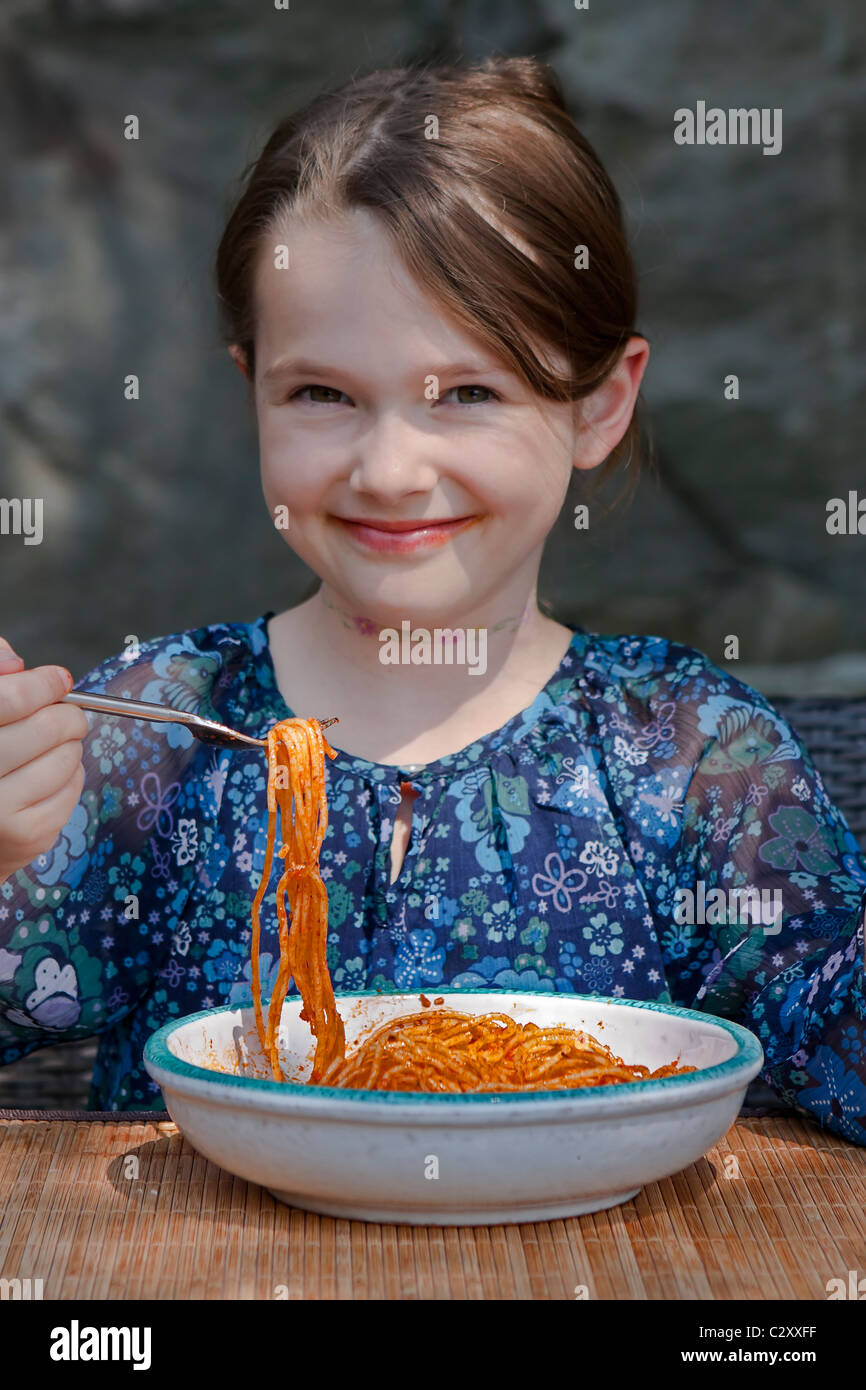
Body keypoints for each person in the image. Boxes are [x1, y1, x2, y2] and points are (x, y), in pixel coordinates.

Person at [0, 57, 863, 1138]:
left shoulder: (687, 760)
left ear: (597, 407)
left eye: (466, 393)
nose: (391, 469)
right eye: (321, 392)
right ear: (250, 392)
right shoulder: (153, 741)